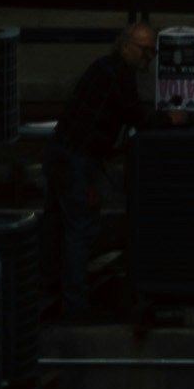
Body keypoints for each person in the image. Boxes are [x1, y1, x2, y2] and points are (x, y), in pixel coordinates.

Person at [52, 16, 150, 318]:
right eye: (143, 50)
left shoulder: (106, 68)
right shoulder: (120, 75)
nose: (148, 57)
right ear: (125, 46)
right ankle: (76, 310)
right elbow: (137, 115)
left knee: (60, 229)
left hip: (65, 155)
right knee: (81, 233)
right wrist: (169, 120)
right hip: (77, 160)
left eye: (152, 52)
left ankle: (59, 298)